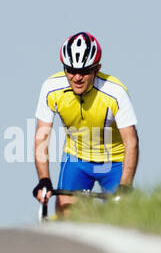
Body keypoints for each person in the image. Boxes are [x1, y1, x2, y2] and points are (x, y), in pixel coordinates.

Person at [32, 32, 139, 216]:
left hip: (114, 162)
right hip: (77, 159)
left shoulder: (115, 92)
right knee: (65, 212)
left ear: (97, 69)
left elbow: (131, 142)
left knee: (120, 215)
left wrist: (125, 186)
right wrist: (44, 179)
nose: (77, 77)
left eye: (84, 71)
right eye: (71, 70)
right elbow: (42, 137)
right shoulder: (51, 89)